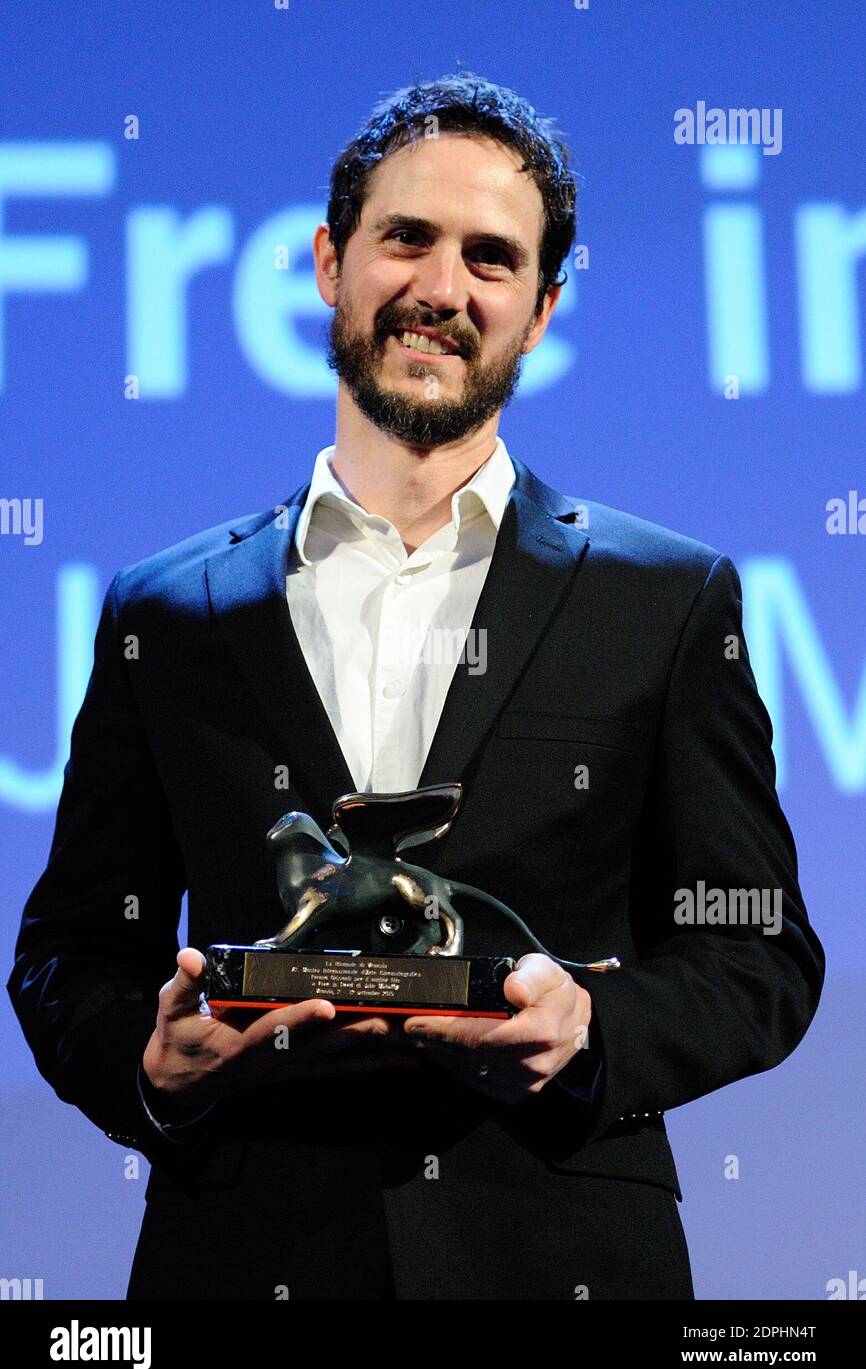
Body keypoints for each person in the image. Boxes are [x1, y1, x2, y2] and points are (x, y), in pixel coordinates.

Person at [7, 72, 824, 1301]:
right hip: (240, 1261)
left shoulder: (664, 597)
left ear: (540, 311)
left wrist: (590, 1032)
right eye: (406, 238)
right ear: (328, 262)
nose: (442, 288)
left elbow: (754, 950)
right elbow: (71, 952)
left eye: (491, 258)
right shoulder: (164, 611)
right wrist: (150, 1067)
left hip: (558, 1262)